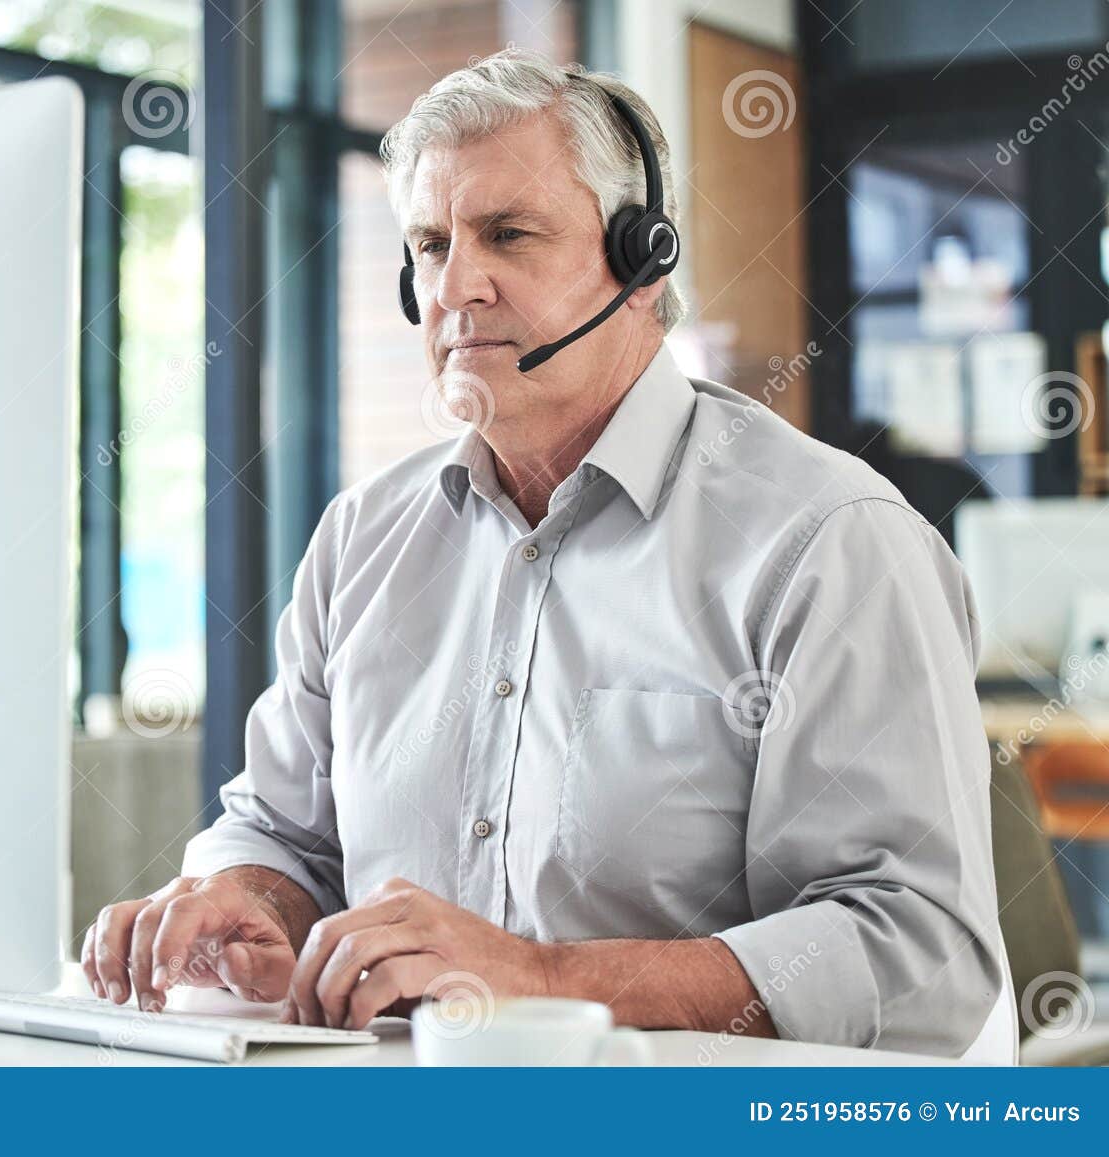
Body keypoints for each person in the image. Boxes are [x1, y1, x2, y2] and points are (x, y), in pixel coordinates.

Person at [82, 49, 1014, 1060]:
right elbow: (282, 832)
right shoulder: (361, 539)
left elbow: (919, 950)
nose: (455, 286)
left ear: (642, 259)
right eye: (430, 244)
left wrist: (541, 978)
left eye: (508, 235)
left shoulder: (828, 540)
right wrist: (241, 897)